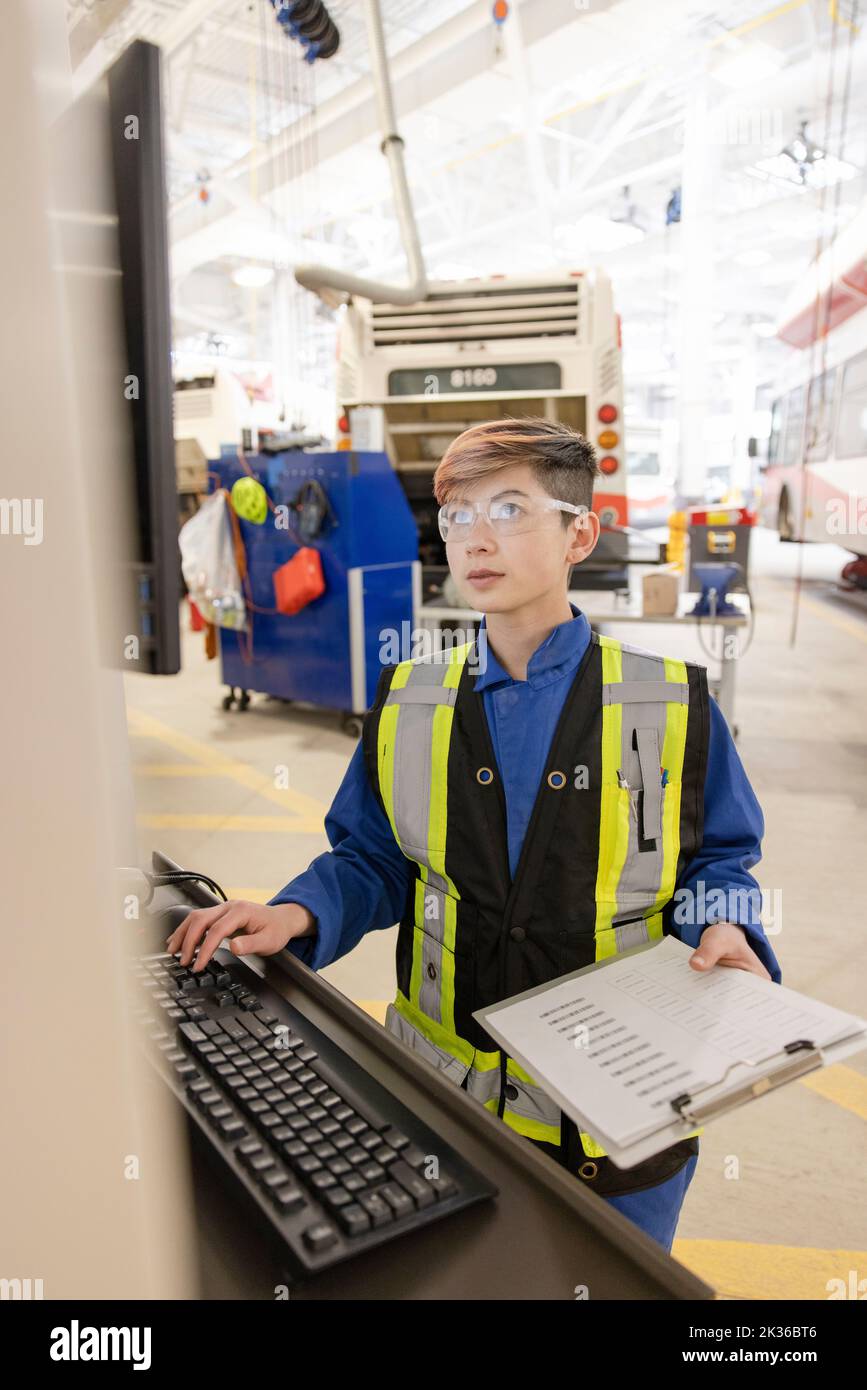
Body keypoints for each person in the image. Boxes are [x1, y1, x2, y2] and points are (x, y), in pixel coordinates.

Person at [167, 417, 781, 1253]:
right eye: (456, 515)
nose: (475, 538)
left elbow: (719, 857)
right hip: (445, 1108)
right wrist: (297, 915)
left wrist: (722, 922)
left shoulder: (670, 702)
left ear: (580, 533)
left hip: (616, 1126)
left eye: (509, 510)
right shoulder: (410, 696)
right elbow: (374, 858)